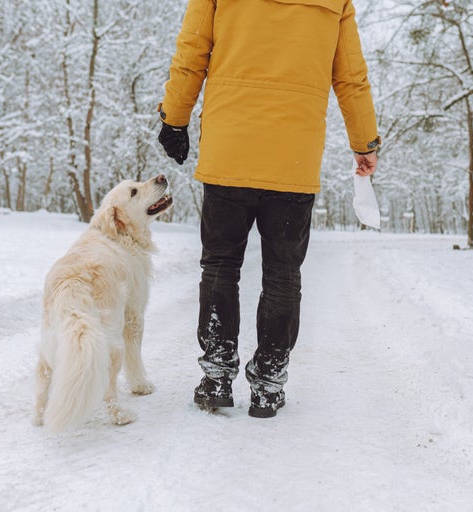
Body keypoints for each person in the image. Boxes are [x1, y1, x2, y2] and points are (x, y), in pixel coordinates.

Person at [157, 0, 379, 418]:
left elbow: (192, 50)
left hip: (229, 150)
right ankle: (269, 383)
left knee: (220, 264)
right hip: (293, 157)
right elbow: (351, 77)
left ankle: (217, 375)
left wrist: (175, 117)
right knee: (283, 273)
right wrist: (364, 142)